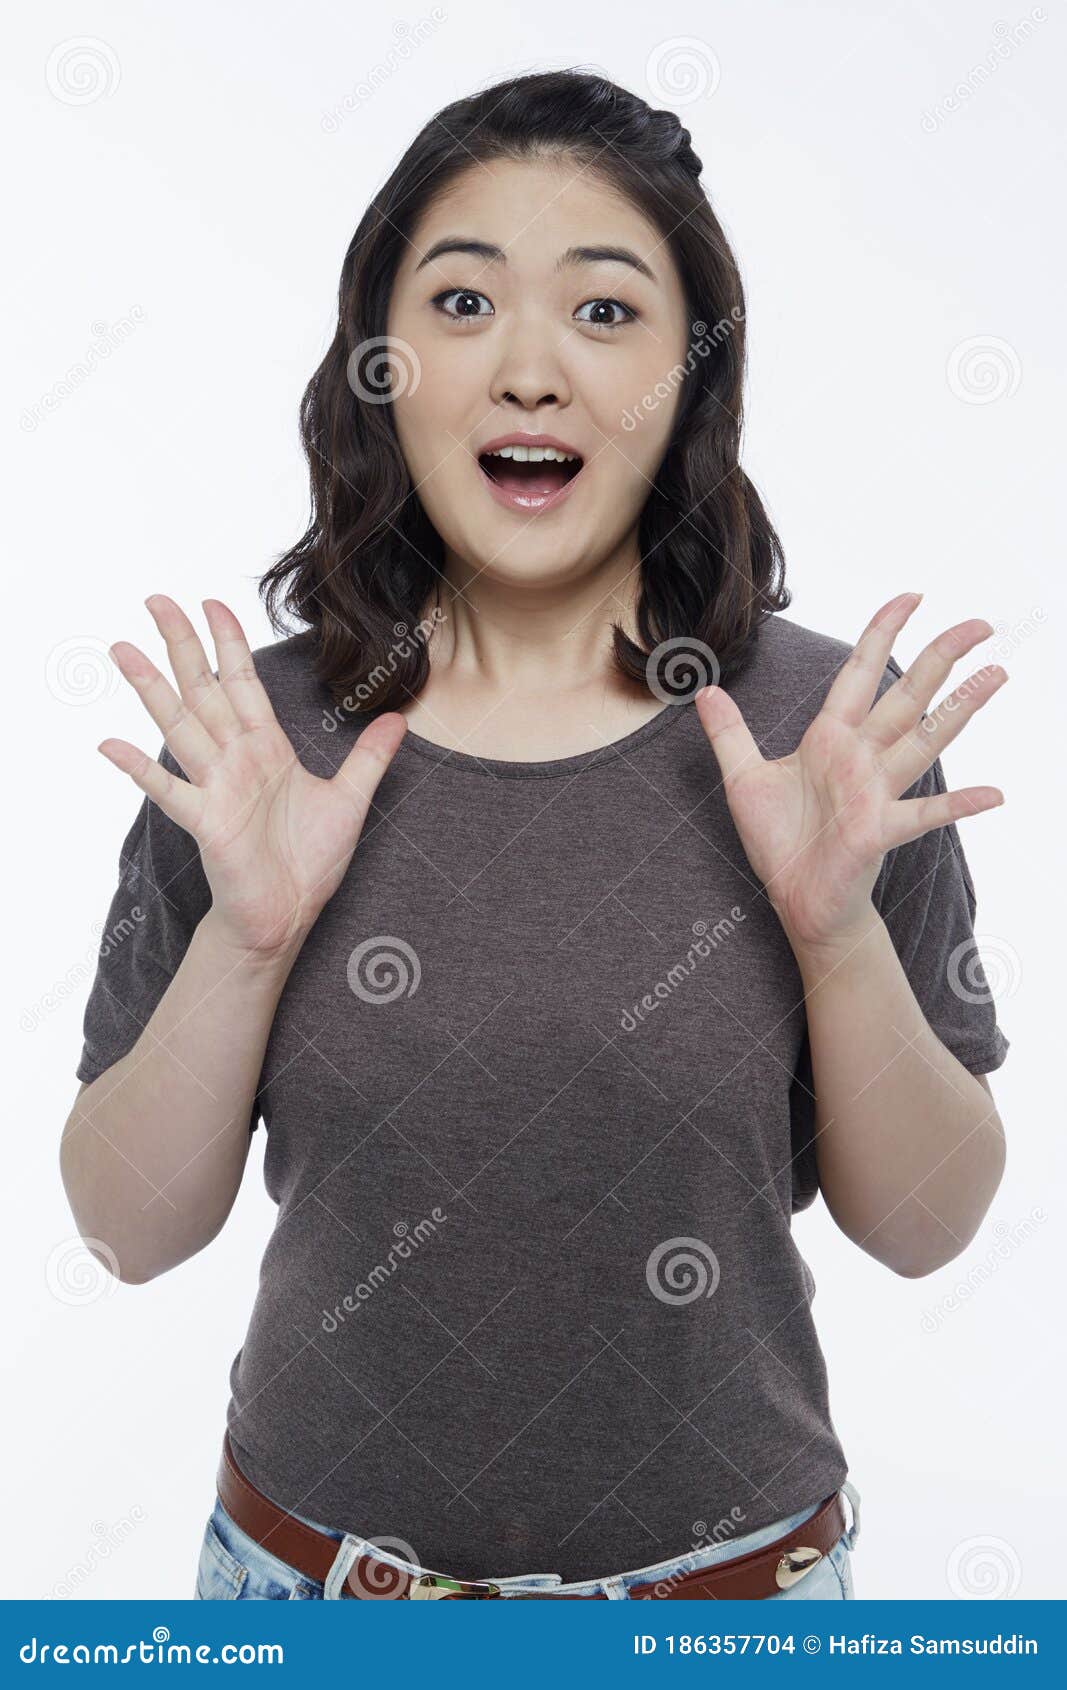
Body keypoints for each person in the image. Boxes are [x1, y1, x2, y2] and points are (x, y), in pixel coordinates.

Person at [61, 69, 1009, 1602]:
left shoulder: (826, 732)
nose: (529, 371)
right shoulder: (259, 738)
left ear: (690, 381)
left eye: (607, 311)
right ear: (383, 363)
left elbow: (931, 1227)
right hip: (317, 1602)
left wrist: (838, 939)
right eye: (462, 303)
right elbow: (122, 1232)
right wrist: (246, 943)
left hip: (736, 1613)